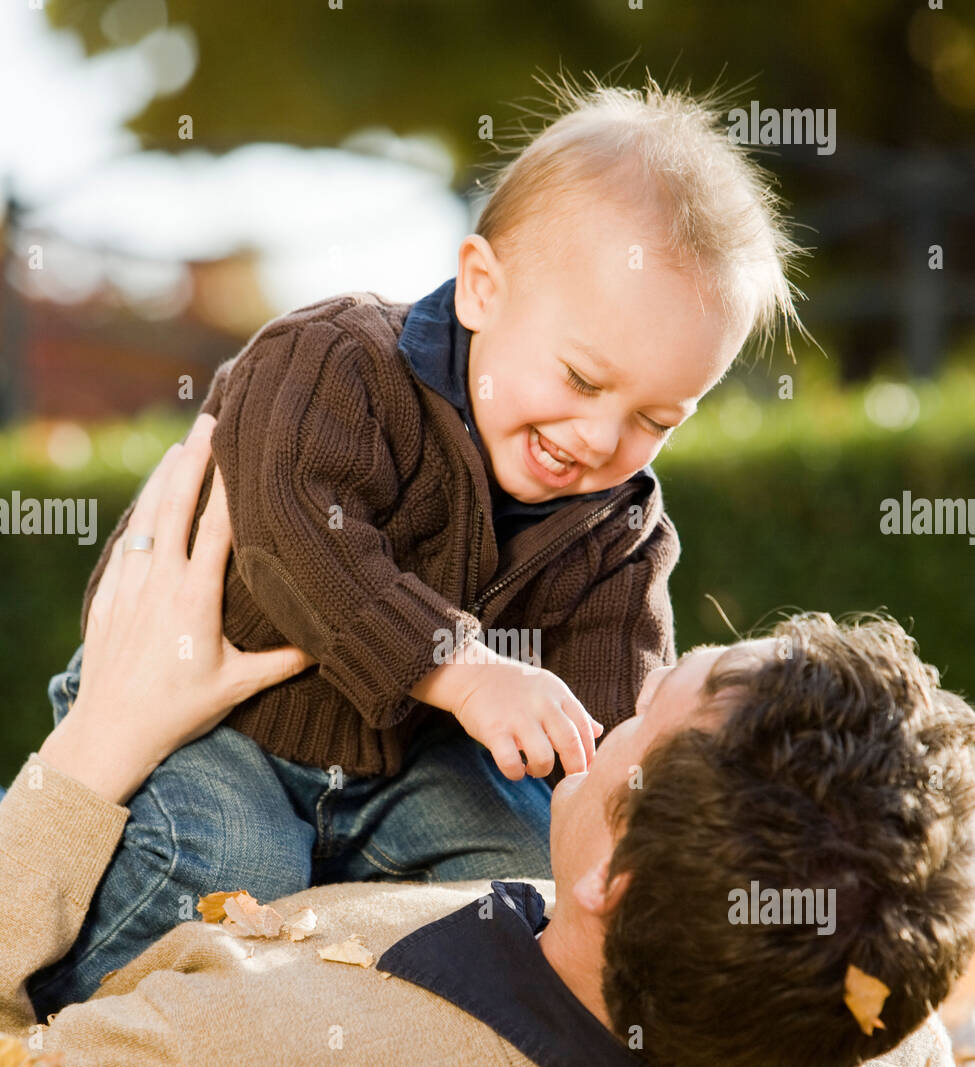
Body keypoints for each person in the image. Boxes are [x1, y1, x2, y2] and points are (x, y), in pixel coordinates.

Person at [29, 73, 802, 1015]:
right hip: (213, 725)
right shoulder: (336, 361)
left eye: (656, 417)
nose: (602, 439)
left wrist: (644, 818)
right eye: (581, 377)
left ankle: (397, 1028)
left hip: (404, 768)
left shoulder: (618, 530)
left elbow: (612, 721)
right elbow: (298, 542)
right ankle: (69, 1003)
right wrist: (466, 670)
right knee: (231, 872)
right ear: (482, 288)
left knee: (525, 865)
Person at [4, 429, 972, 1067]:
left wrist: (98, 739)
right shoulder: (872, 1052)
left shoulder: (217, 1061)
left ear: (613, 873)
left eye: (649, 716)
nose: (624, 707)